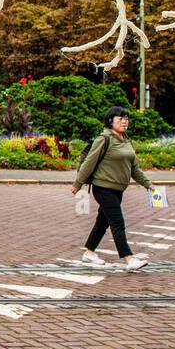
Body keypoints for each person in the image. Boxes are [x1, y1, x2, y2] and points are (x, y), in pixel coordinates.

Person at [73, 106, 153, 272]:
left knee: (102, 222)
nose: (125, 121)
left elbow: (134, 169)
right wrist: (78, 184)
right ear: (111, 121)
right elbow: (89, 163)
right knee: (117, 222)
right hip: (103, 188)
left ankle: (89, 252)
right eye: (121, 118)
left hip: (118, 190)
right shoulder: (103, 139)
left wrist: (148, 185)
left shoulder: (126, 140)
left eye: (126, 118)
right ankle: (129, 259)